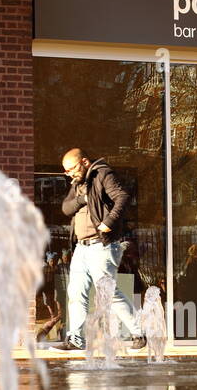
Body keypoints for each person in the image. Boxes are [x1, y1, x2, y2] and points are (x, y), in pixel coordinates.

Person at [53, 148, 145, 351]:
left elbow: (122, 197)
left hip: (101, 245)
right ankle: (76, 338)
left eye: (71, 169)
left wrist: (109, 222)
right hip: (81, 247)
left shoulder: (102, 173)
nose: (69, 174)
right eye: (66, 171)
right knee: (76, 292)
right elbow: (66, 208)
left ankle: (138, 332)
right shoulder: (78, 183)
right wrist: (81, 199)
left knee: (108, 292)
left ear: (84, 162)